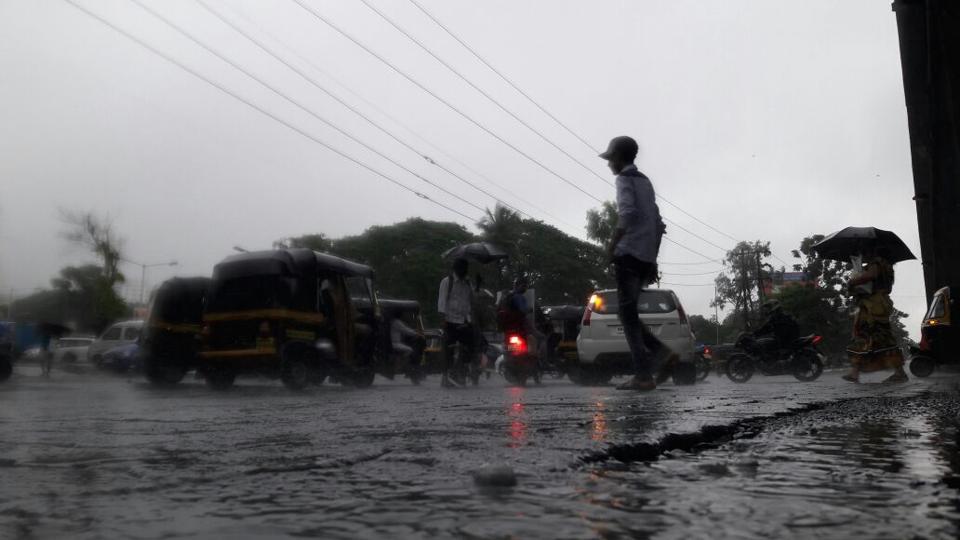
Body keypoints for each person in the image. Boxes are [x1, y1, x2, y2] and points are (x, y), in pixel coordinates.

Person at [600, 135, 678, 391]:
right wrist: (653, 258)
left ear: (619, 158)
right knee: (629, 313)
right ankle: (658, 355)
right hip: (645, 256)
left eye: (611, 159)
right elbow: (657, 223)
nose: (609, 164)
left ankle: (644, 374)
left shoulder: (624, 179)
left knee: (627, 314)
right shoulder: (645, 182)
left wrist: (612, 246)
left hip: (628, 254)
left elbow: (628, 214)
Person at [843, 247, 908, 383]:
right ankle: (855, 372)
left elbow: (870, 276)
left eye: (865, 251)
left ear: (872, 251)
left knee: (873, 335)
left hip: (874, 305)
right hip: (875, 304)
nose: (863, 254)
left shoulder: (877, 263)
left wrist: (853, 281)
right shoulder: (885, 265)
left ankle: (899, 373)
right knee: (870, 336)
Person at [437, 258, 476, 387]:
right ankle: (445, 375)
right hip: (450, 321)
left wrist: (474, 286)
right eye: (462, 269)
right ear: (456, 269)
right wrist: (443, 322)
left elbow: (471, 301)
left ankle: (463, 370)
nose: (464, 271)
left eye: (466, 269)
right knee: (448, 349)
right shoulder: (447, 282)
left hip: (464, 320)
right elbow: (442, 302)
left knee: (472, 345)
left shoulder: (467, 284)